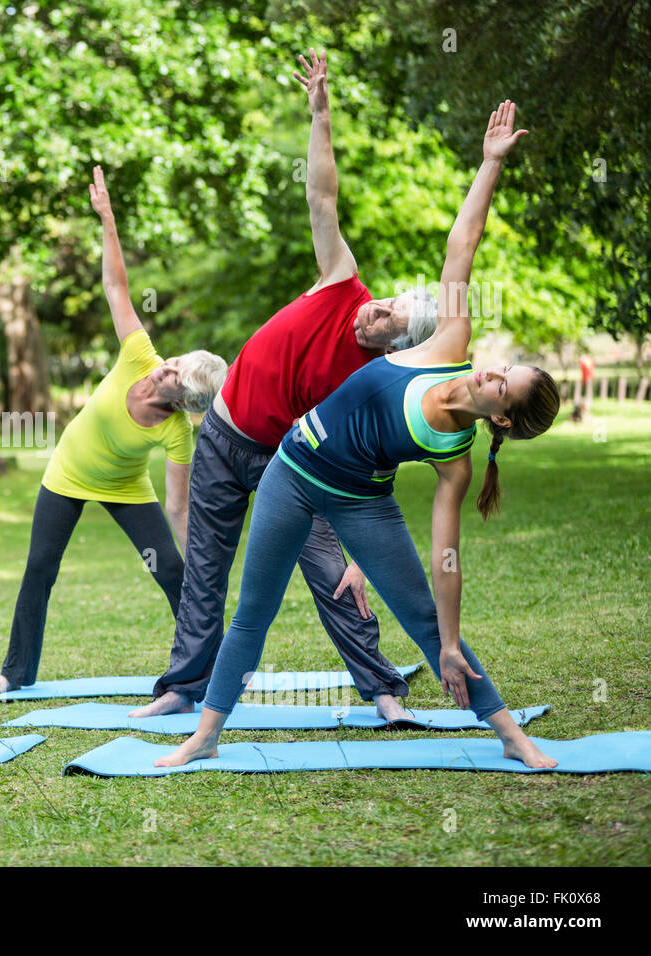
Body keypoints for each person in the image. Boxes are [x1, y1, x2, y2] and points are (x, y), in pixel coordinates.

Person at [157, 99, 559, 770]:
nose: (492, 372)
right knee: (251, 613)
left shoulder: (455, 459)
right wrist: (488, 165)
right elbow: (464, 245)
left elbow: (446, 558)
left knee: (428, 623)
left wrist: (452, 640)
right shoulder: (451, 342)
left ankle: (511, 735)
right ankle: (203, 737)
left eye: (502, 386)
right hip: (291, 468)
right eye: (504, 369)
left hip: (361, 500)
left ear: (502, 420)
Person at [132, 49, 439, 720]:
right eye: (385, 301)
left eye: (390, 319)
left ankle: (383, 689)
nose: (376, 310)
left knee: (330, 572)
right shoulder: (341, 281)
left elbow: (368, 475)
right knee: (205, 571)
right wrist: (320, 113)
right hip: (222, 433)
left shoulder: (374, 380)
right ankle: (184, 689)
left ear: (399, 343)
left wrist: (362, 548)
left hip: (290, 465)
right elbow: (321, 194)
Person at [0, 165, 227, 697]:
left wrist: (196, 561)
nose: (165, 367)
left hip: (125, 488)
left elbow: (179, 508)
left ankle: (208, 667)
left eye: (175, 375)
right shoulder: (139, 354)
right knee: (40, 569)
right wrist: (107, 219)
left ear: (185, 398)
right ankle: (13, 674)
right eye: (173, 361)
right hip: (67, 472)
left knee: (173, 575)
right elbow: (116, 286)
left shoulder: (178, 431)